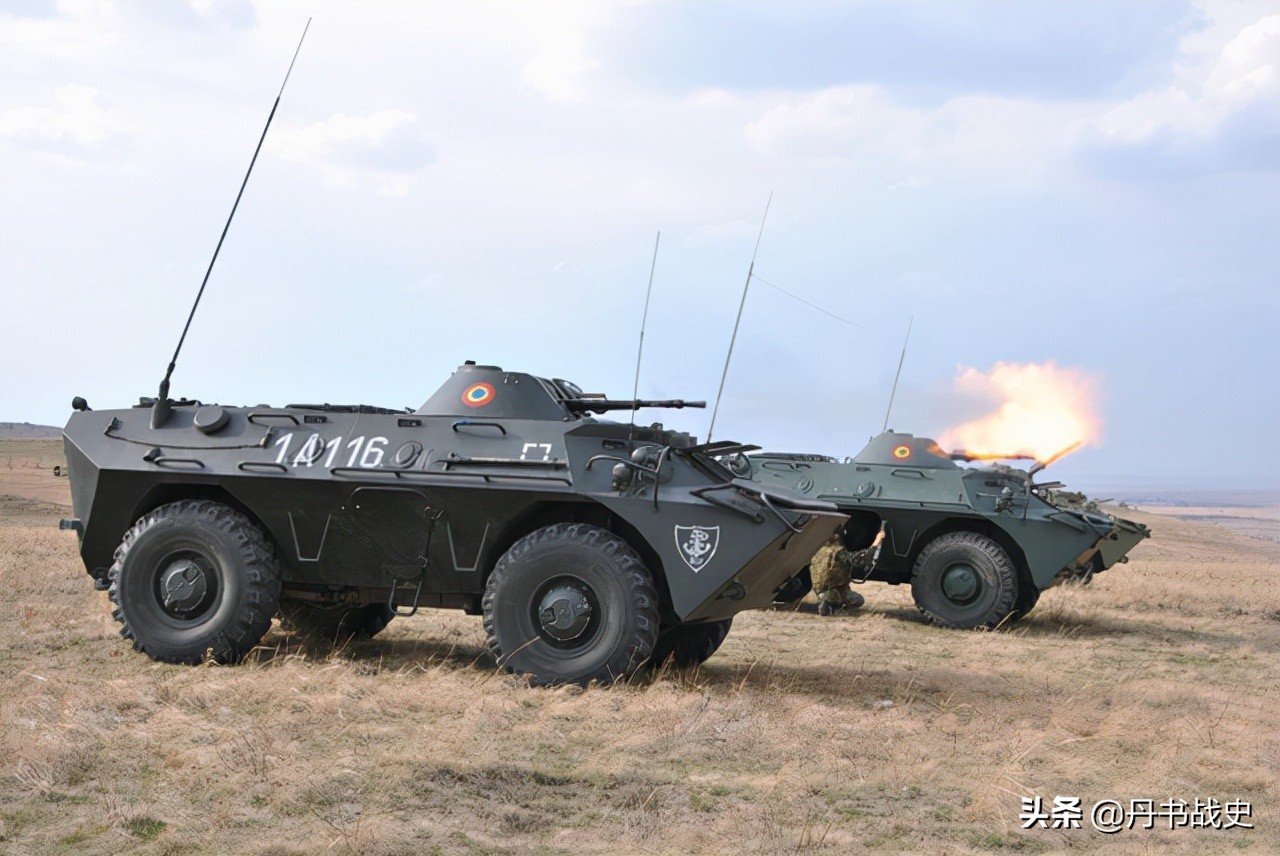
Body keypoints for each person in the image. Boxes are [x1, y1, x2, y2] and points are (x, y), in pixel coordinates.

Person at [809, 525, 884, 616]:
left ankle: (827, 600)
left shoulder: (818, 550)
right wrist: (877, 540)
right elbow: (861, 558)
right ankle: (833, 605)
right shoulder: (839, 552)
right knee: (859, 600)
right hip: (834, 590)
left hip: (818, 589)